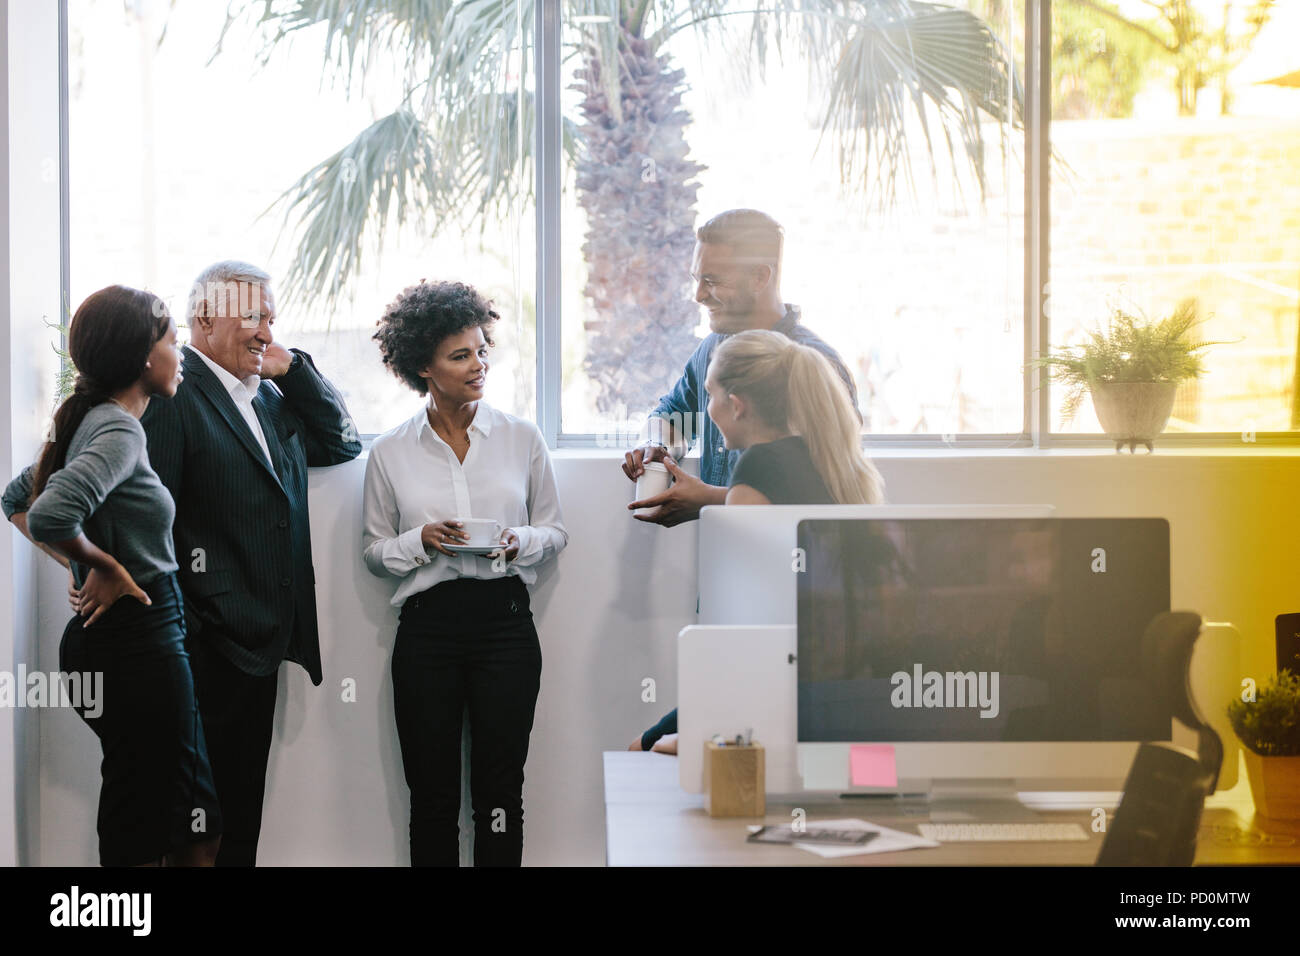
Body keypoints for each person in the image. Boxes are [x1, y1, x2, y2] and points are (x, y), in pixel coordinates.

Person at [139, 260, 361, 865]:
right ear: (204, 318)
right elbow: (149, 529)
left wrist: (293, 365)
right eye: (252, 317)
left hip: (260, 642)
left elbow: (342, 440)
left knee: (239, 817)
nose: (266, 330)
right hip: (203, 648)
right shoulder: (174, 395)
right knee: (194, 828)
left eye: (270, 317)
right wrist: (192, 632)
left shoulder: (264, 396)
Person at [2, 285, 223, 866]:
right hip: (136, 643)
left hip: (127, 639)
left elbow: (14, 498)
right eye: (174, 340)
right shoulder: (118, 429)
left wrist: (87, 562)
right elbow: (48, 513)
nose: (181, 353)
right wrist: (102, 565)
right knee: (148, 819)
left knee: (190, 815)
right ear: (146, 356)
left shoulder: (90, 421)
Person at [363, 280, 567, 867]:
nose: (479, 365)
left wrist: (515, 539)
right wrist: (420, 542)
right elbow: (374, 553)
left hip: (505, 624)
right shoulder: (390, 451)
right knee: (431, 797)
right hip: (426, 631)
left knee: (501, 794)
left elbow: (554, 531)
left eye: (482, 350)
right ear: (423, 367)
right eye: (460, 355)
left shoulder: (522, 438)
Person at [630, 328, 885, 754]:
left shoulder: (759, 466)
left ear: (737, 405)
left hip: (785, 683)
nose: (707, 410)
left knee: (644, 749)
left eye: (710, 397)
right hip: (837, 674)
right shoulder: (821, 459)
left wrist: (711, 729)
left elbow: (745, 621)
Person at [624, 208, 861, 526]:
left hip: (793, 566)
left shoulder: (814, 365)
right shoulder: (711, 350)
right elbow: (674, 417)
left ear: (760, 277)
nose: (698, 296)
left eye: (712, 281)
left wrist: (707, 499)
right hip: (727, 554)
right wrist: (655, 445)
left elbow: (827, 491)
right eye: (697, 280)